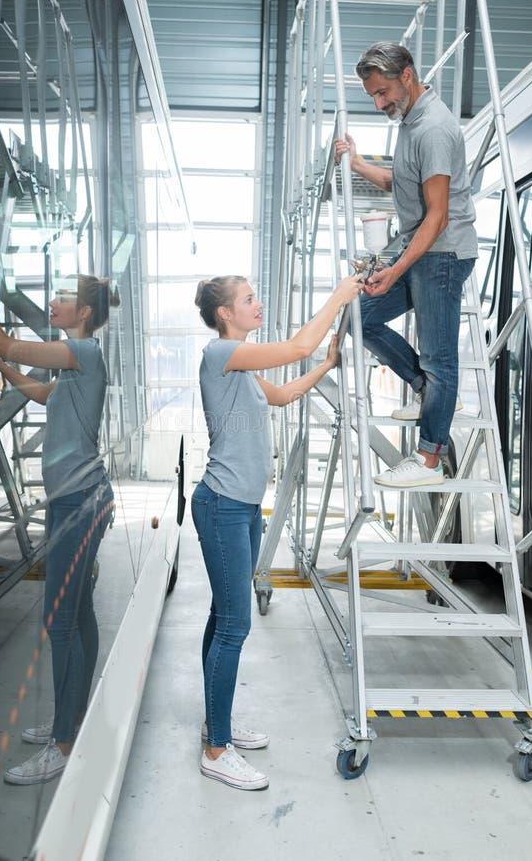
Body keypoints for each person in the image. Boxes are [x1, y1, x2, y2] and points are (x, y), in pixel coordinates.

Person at [192, 273, 362, 790]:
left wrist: (327, 365)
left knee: (223, 618)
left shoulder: (241, 366)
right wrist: (339, 295)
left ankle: (216, 723)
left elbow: (284, 394)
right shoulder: (220, 354)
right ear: (225, 313)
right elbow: (295, 347)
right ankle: (216, 750)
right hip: (221, 505)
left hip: (242, 508)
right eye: (248, 299)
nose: (258, 303)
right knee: (234, 626)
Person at [0, 271, 119, 785]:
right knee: (77, 613)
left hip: (79, 503)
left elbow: (3, 340)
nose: (53, 301)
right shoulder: (75, 363)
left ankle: (64, 742)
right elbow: (45, 395)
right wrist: (3, 366)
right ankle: (74, 717)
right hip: (79, 500)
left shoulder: (81, 352)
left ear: (83, 312)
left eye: (64, 297)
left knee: (59, 619)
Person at [334, 42, 478, 487]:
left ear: (408, 76)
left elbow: (437, 216)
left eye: (383, 93)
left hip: (442, 253)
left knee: (439, 358)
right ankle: (425, 390)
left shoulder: (433, 129)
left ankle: (429, 460)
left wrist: (395, 269)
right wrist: (357, 162)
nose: (379, 104)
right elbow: (400, 180)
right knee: (360, 317)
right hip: (420, 248)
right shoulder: (411, 120)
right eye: (373, 96)